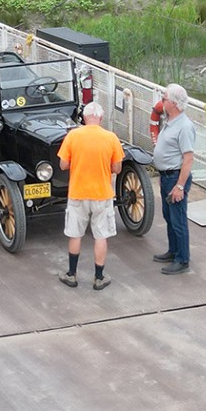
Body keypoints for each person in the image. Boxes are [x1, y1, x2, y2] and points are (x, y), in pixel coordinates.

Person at [57, 100, 123, 289]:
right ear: (101, 118)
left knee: (75, 234)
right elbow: (117, 168)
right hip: (102, 194)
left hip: (78, 192)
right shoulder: (111, 138)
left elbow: (63, 165)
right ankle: (99, 278)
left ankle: (71, 274)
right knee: (101, 235)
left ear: (84, 118)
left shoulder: (73, 136)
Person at [151, 82, 197, 274]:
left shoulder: (184, 126)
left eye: (165, 99)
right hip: (167, 176)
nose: (161, 102)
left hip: (175, 178)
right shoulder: (171, 122)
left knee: (178, 219)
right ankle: (173, 250)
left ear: (175, 103)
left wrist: (179, 186)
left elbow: (188, 159)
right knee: (169, 216)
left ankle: (182, 259)